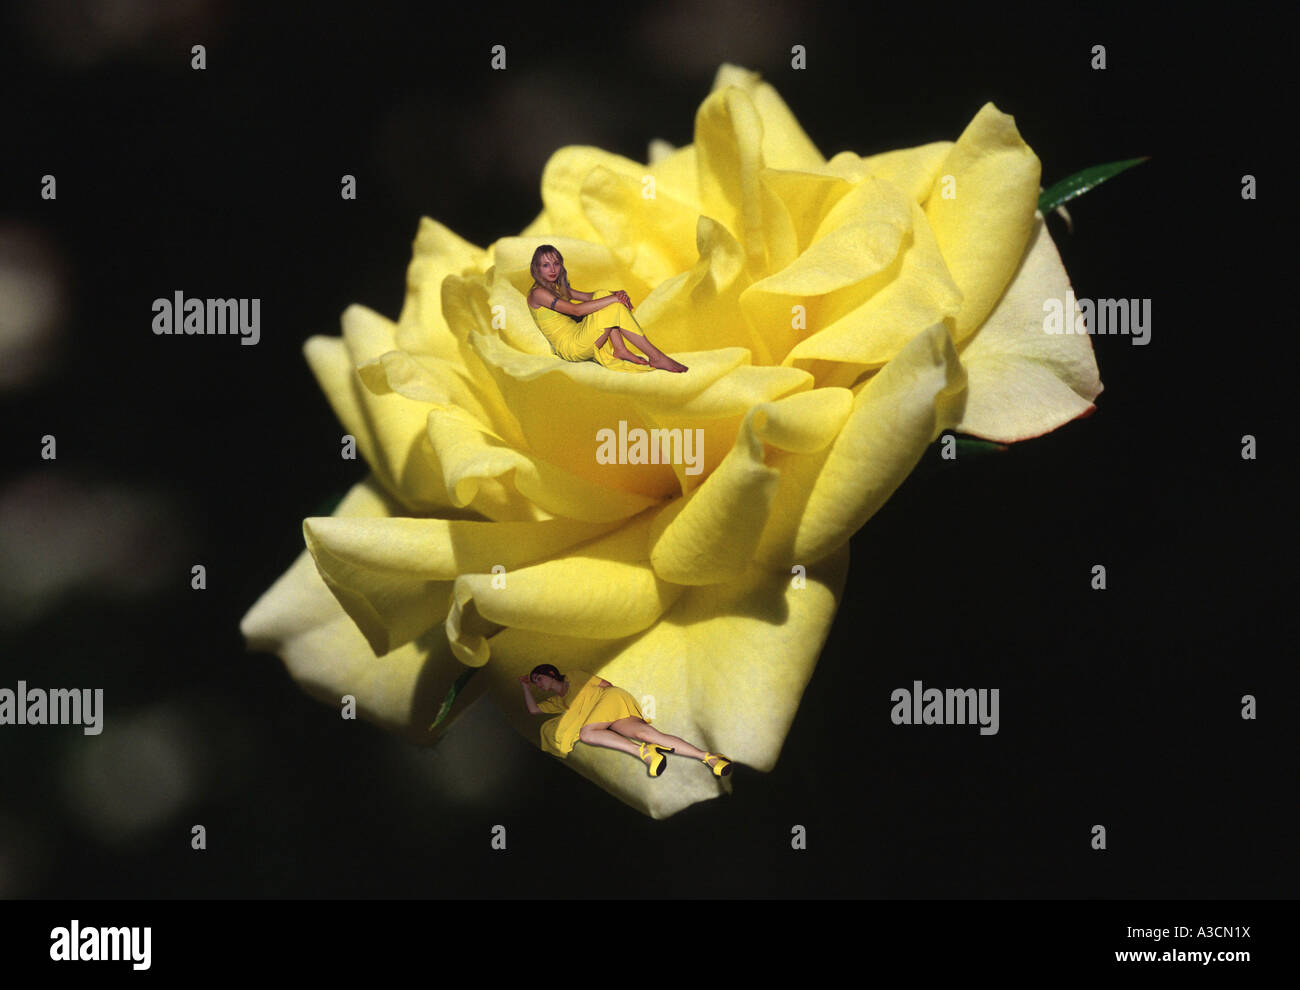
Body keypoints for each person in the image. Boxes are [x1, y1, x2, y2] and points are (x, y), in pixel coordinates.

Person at [520, 664, 732, 778]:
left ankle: (644, 753)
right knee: (648, 735)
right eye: (535, 682)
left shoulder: (573, 676)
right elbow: (533, 710)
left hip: (611, 699)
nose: (538, 683)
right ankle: (710, 758)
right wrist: (525, 687)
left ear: (550, 673)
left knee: (587, 733)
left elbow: (605, 684)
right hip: (607, 718)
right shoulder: (559, 702)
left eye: (539, 678)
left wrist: (592, 710)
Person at [527, 245, 688, 373]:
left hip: (578, 334)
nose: (553, 269)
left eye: (556, 264)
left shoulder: (557, 288)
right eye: (546, 265)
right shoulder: (539, 293)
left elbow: (591, 297)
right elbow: (576, 310)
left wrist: (614, 294)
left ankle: (620, 350)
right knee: (612, 306)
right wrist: (614, 299)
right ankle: (656, 357)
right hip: (571, 347)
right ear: (537, 268)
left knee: (602, 294)